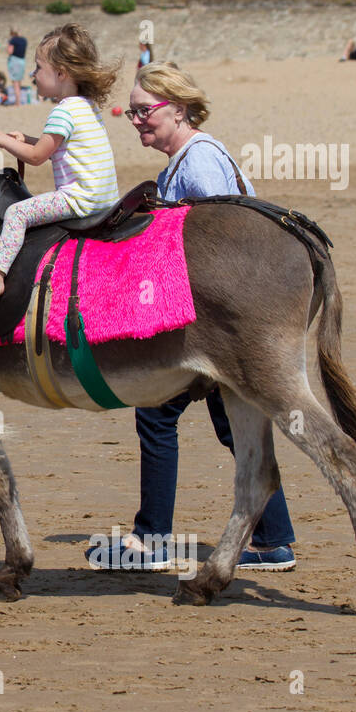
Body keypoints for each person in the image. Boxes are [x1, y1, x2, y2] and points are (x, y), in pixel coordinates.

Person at [87, 61, 297, 571]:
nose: (137, 120)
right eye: (131, 112)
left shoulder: (198, 162)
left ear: (178, 109)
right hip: (216, 324)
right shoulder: (188, 157)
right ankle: (273, 541)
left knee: (156, 415)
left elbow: (218, 247)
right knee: (234, 427)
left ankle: (151, 541)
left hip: (209, 325)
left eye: (145, 111)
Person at [0, 24, 121, 309]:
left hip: (80, 200)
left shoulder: (61, 111)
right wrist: (25, 138)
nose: (33, 75)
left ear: (61, 74)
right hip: (105, 198)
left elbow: (36, 156)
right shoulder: (83, 106)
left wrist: (3, 140)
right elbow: (55, 147)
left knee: (17, 212)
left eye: (38, 68)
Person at [6, 27, 28, 105]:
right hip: (22, 61)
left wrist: (8, 45)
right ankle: (19, 100)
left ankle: (17, 102)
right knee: (19, 81)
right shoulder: (24, 40)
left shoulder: (13, 40)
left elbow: (10, 51)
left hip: (15, 61)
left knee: (15, 82)